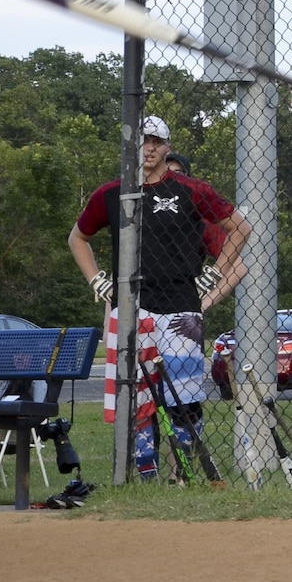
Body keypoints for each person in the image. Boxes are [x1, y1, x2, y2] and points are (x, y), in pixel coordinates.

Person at [68, 116, 248, 479]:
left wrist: (214, 274)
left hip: (182, 309)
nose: (148, 147)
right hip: (132, 311)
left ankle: (182, 474)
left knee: (184, 399)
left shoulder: (191, 190)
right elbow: (77, 237)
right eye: (142, 140)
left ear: (167, 147)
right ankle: (145, 473)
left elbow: (239, 228)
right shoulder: (111, 193)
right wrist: (97, 281)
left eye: (156, 141)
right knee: (135, 399)